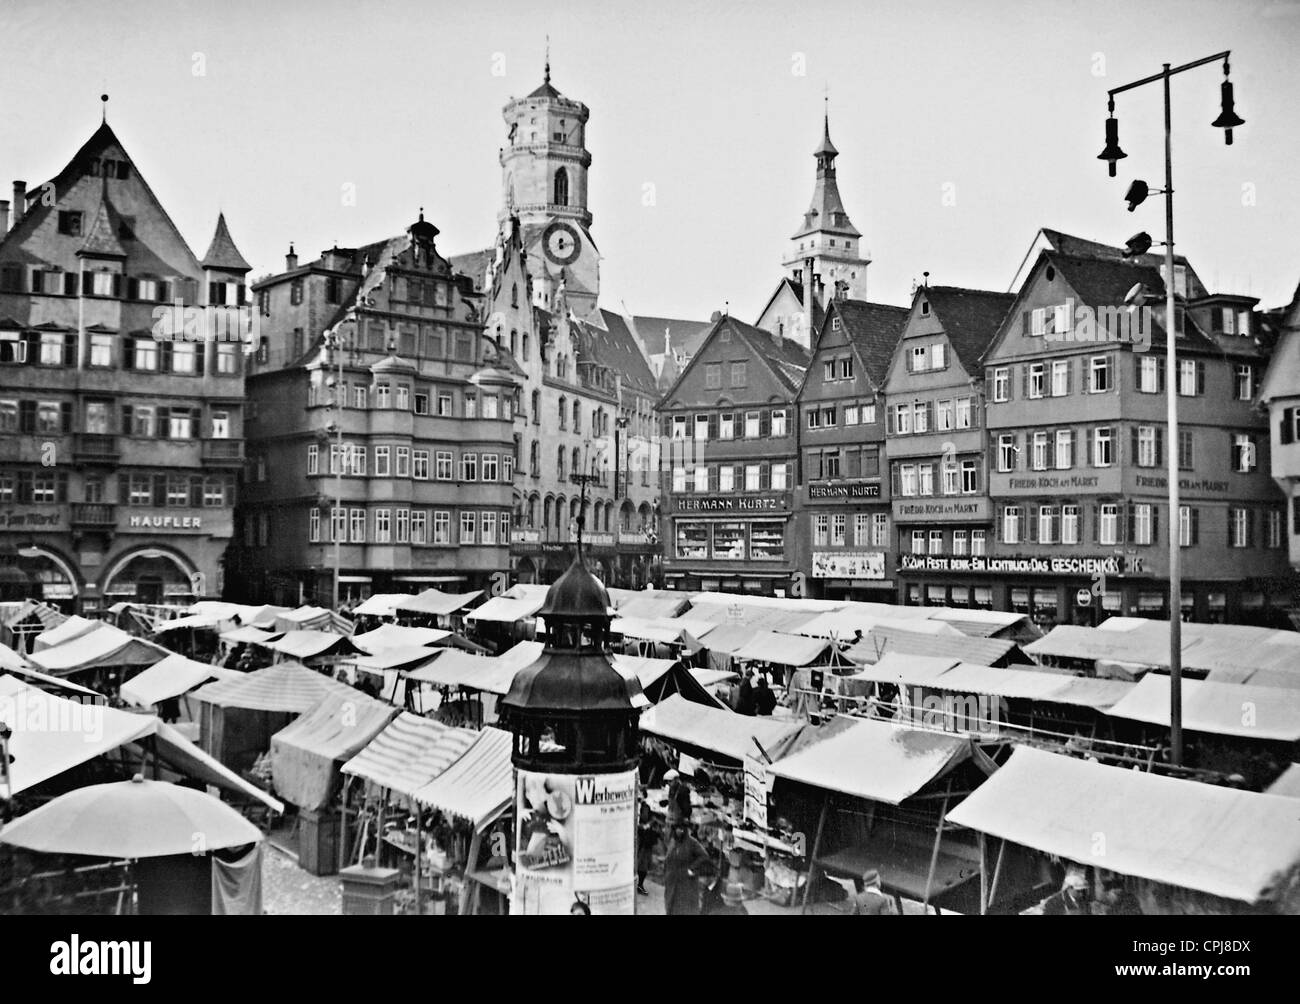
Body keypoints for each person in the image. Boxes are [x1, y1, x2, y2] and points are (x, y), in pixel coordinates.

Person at [662, 822, 712, 916]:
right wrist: (666, 873)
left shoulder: (692, 842)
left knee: (684, 908)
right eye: (677, 828)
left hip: (686, 882)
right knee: (670, 905)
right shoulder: (673, 841)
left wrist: (692, 868)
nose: (679, 831)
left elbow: (704, 856)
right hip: (672, 881)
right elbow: (668, 859)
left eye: (681, 829)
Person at [636, 797, 658, 895]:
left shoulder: (645, 806)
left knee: (643, 863)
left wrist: (647, 825)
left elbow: (653, 818)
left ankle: (640, 885)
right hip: (634, 838)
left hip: (644, 839)